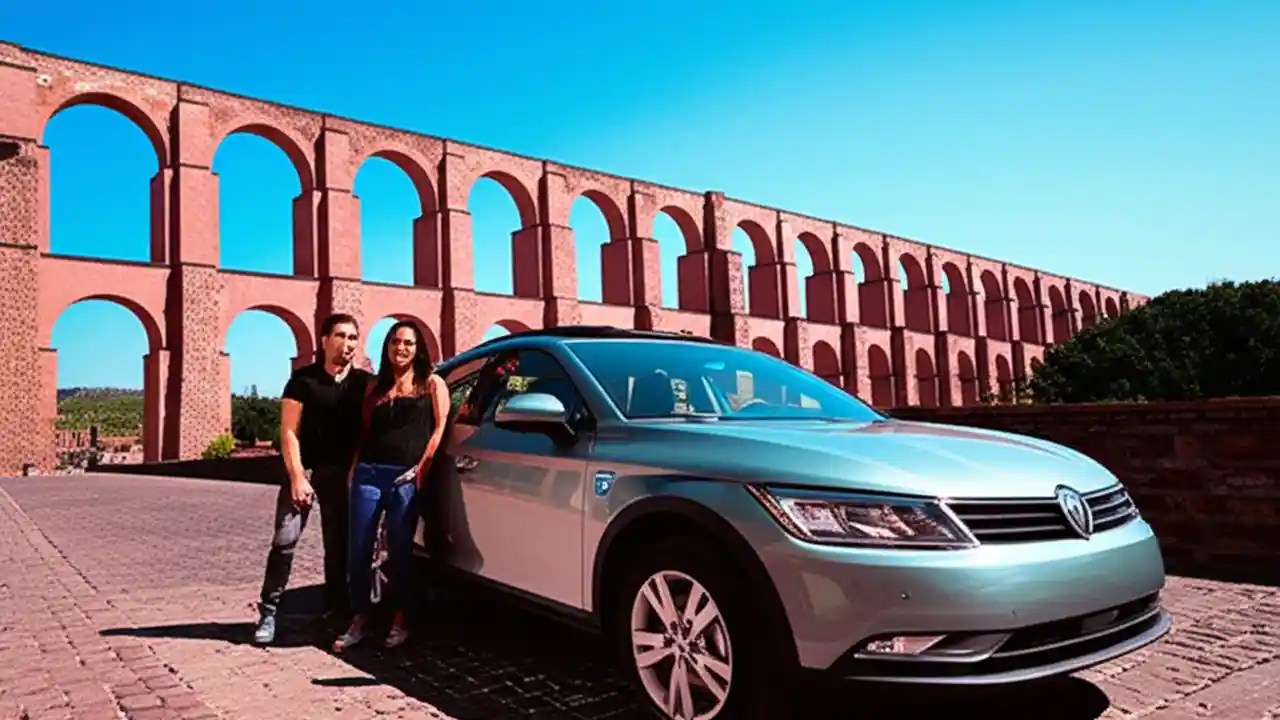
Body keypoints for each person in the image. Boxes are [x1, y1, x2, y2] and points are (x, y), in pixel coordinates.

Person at [252, 313, 371, 645]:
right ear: (325, 340)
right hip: (303, 469)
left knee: (338, 544)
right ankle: (269, 612)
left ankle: (336, 611)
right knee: (285, 541)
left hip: (340, 472)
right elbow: (289, 432)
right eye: (341, 336)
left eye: (353, 338)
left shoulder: (364, 383)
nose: (348, 344)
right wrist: (296, 476)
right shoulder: (302, 381)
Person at [333, 320, 449, 651]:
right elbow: (364, 432)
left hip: (404, 478)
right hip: (369, 474)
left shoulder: (432, 383)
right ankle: (360, 617)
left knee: (400, 550)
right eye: (395, 342)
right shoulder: (375, 387)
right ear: (387, 347)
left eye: (408, 343)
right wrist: (354, 469)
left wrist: (421, 469)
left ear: (418, 348)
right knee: (359, 548)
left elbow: (439, 430)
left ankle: (401, 618)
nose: (401, 348)